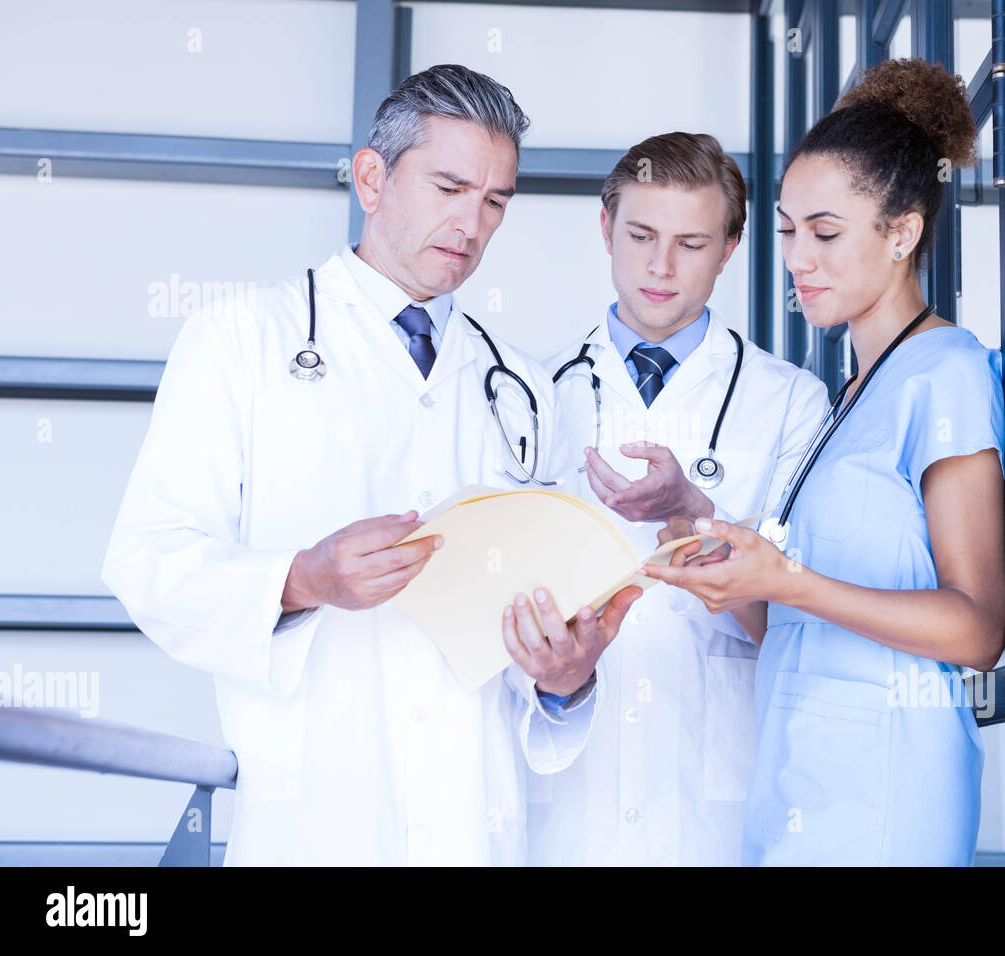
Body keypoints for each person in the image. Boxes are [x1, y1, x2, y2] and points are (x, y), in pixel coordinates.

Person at [100, 64, 640, 866]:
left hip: (472, 819)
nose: (472, 223)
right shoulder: (243, 338)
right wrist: (304, 579)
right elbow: (148, 562)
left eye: (495, 201)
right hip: (316, 812)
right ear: (372, 178)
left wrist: (566, 677)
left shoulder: (521, 384)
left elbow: (538, 624)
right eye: (450, 187)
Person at [645, 59, 1005, 865]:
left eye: (826, 232)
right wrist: (706, 539)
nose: (798, 258)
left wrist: (787, 580)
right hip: (796, 782)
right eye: (786, 229)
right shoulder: (843, 399)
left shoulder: (945, 373)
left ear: (903, 232)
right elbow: (790, 621)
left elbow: (979, 630)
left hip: (884, 792)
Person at [532, 132, 829, 865]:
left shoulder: (791, 403)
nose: (661, 267)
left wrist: (693, 515)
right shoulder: (529, 395)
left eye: (691, 243)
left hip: (715, 809)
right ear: (605, 228)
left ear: (730, 247)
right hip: (569, 798)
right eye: (640, 235)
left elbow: (806, 621)